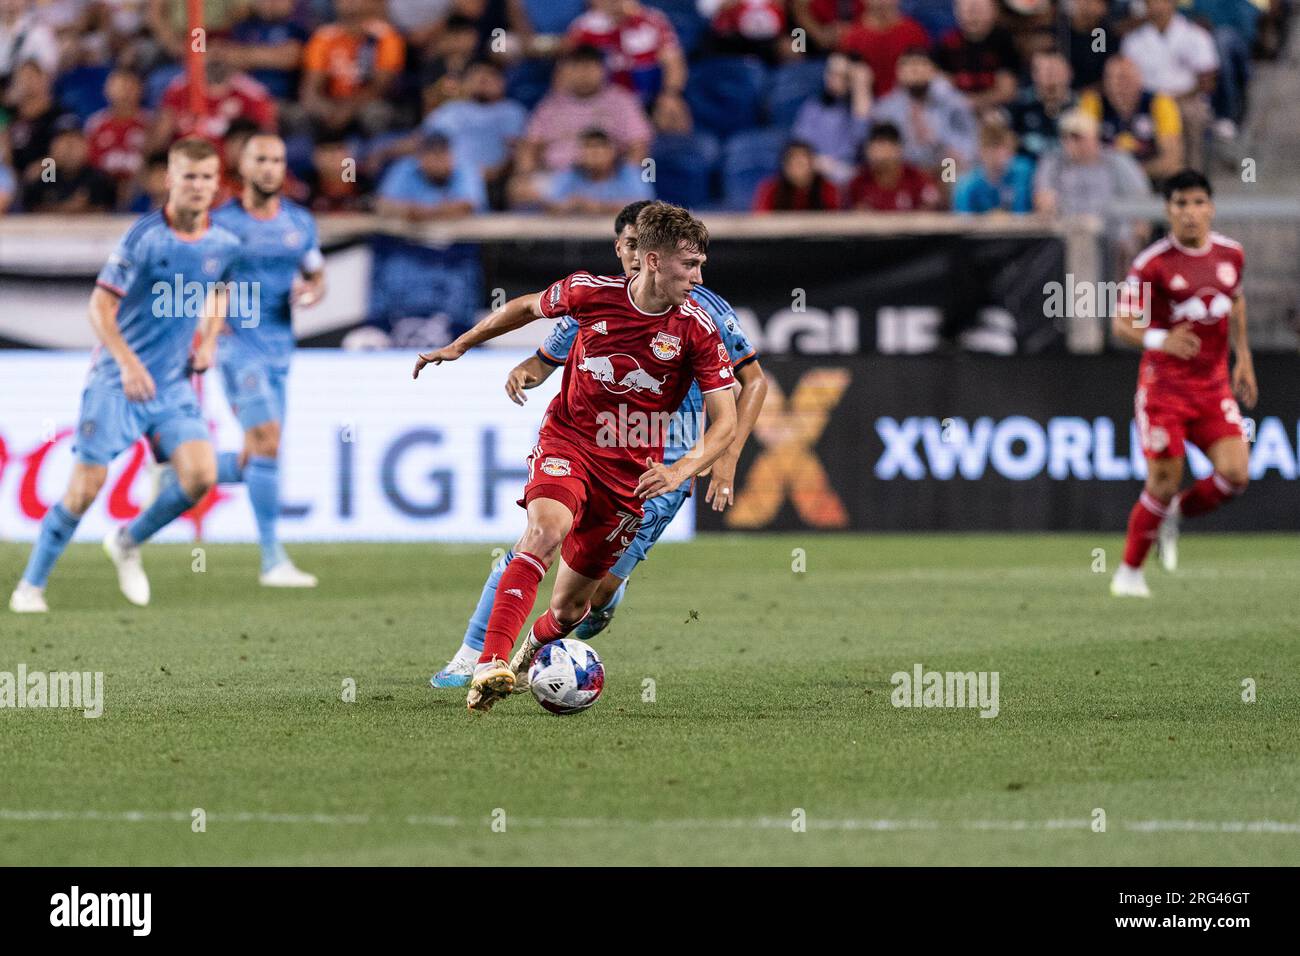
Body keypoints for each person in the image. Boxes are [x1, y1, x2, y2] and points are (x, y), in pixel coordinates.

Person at [412, 202, 739, 712]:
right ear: (652, 260)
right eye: (689, 265)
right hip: (570, 442)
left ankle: (525, 656)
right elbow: (524, 308)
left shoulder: (699, 329)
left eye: (700, 264)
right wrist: (462, 345)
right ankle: (487, 662)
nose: (699, 276)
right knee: (544, 533)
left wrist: (680, 469)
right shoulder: (590, 292)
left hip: (630, 474)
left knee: (572, 608)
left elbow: (727, 420)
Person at [9, 139, 241, 614]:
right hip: (117, 381)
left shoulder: (224, 243)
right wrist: (128, 363)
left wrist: (210, 338)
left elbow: (220, 290)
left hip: (172, 385)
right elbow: (99, 306)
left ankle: (128, 540)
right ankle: (30, 586)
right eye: (188, 177)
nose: (198, 186)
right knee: (85, 490)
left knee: (201, 476)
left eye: (206, 177)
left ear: (218, 183)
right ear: (170, 180)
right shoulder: (143, 238)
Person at [1109, 170, 1255, 597]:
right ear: (1167, 210)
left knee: (1235, 475)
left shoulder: (1231, 255)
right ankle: (1128, 573)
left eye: (1197, 203)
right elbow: (1121, 324)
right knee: (1164, 479)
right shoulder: (1151, 263)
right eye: (1180, 204)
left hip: (1213, 388)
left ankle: (1171, 514)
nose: (1190, 213)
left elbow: (1237, 301)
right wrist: (1160, 339)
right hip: (1164, 389)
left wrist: (1243, 357)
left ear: (1210, 207)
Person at [209, 133, 325, 588]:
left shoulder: (300, 223)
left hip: (280, 349)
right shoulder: (220, 224)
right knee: (268, 439)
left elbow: (316, 276)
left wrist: (311, 292)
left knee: (260, 450)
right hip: (236, 347)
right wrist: (207, 335)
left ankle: (186, 466)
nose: (271, 167)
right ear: (242, 166)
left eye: (278, 159)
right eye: (261, 159)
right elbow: (204, 281)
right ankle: (272, 559)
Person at [1080, 56, 1184, 186]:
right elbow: (1082, 149)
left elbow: (1171, 156)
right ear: (1105, 81)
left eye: (1127, 78)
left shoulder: (1160, 102)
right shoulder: (1093, 102)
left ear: (1140, 79)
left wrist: (1131, 173)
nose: (1122, 84)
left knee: (1176, 170)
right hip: (1104, 175)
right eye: (1116, 79)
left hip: (1149, 172)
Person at [545, 126, 653, 214]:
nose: (593, 153)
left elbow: (645, 206)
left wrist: (602, 207)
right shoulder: (570, 173)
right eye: (588, 147)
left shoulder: (628, 172)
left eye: (598, 148)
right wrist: (574, 204)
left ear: (612, 151)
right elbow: (551, 205)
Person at [845, 121, 942, 211]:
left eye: (884, 146)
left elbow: (931, 210)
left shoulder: (917, 179)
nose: (878, 154)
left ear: (897, 149)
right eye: (874, 147)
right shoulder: (858, 184)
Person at [953, 119, 1033, 214]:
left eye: (1005, 149)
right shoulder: (966, 184)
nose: (999, 154)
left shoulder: (1023, 171)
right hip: (979, 228)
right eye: (993, 148)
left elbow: (1024, 212)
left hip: (1020, 228)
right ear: (982, 151)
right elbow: (962, 222)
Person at [752, 140, 841, 211]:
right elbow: (761, 222)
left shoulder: (827, 189)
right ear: (785, 166)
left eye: (803, 163)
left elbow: (834, 222)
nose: (799, 168)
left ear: (812, 164)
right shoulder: (770, 189)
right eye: (794, 163)